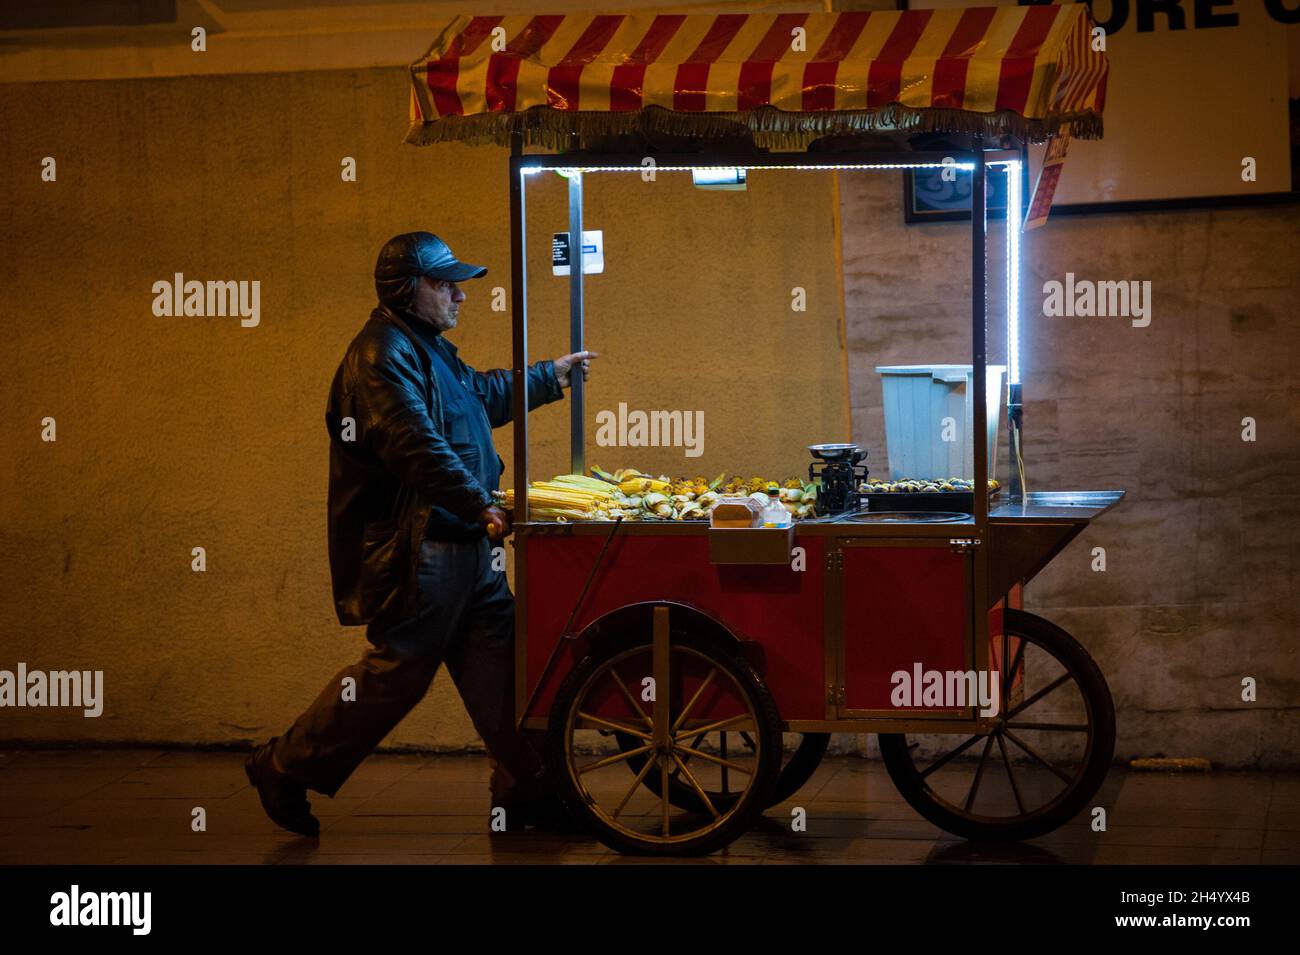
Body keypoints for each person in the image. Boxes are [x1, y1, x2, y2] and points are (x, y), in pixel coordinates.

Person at [245, 231, 596, 836]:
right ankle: (284, 766)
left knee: (504, 666)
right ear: (408, 290)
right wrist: (478, 505)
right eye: (444, 283)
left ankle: (527, 787)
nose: (460, 295)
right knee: (396, 675)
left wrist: (546, 377)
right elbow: (413, 443)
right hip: (424, 550)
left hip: (465, 543)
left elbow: (478, 397)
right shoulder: (379, 355)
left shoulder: (425, 347)